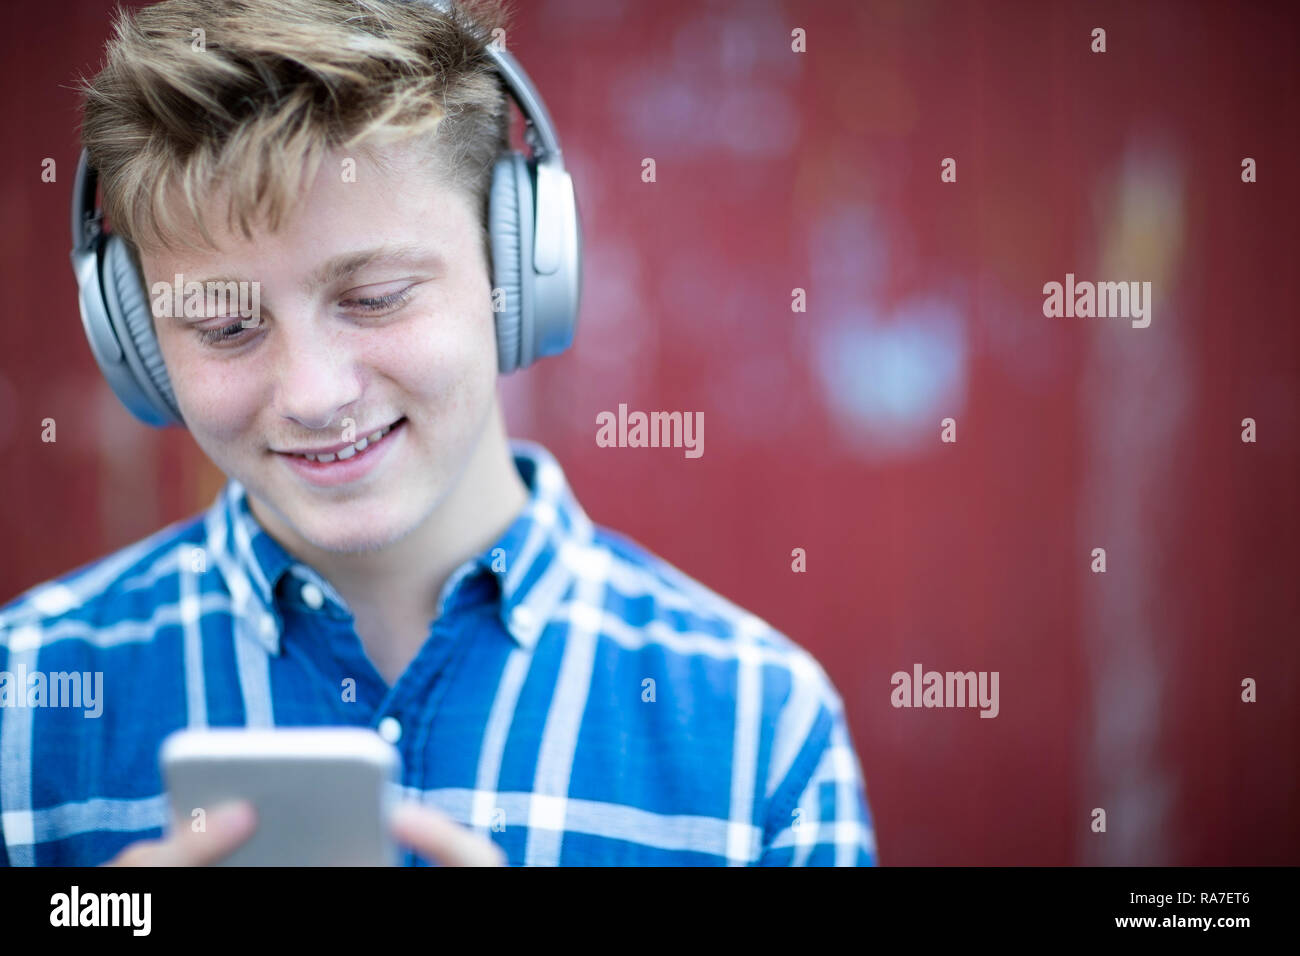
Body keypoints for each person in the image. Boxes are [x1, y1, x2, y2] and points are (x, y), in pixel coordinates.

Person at [0, 0, 876, 866]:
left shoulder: (760, 729)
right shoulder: (22, 702)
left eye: (374, 298)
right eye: (226, 327)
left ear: (523, 267)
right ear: (136, 341)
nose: (312, 395)